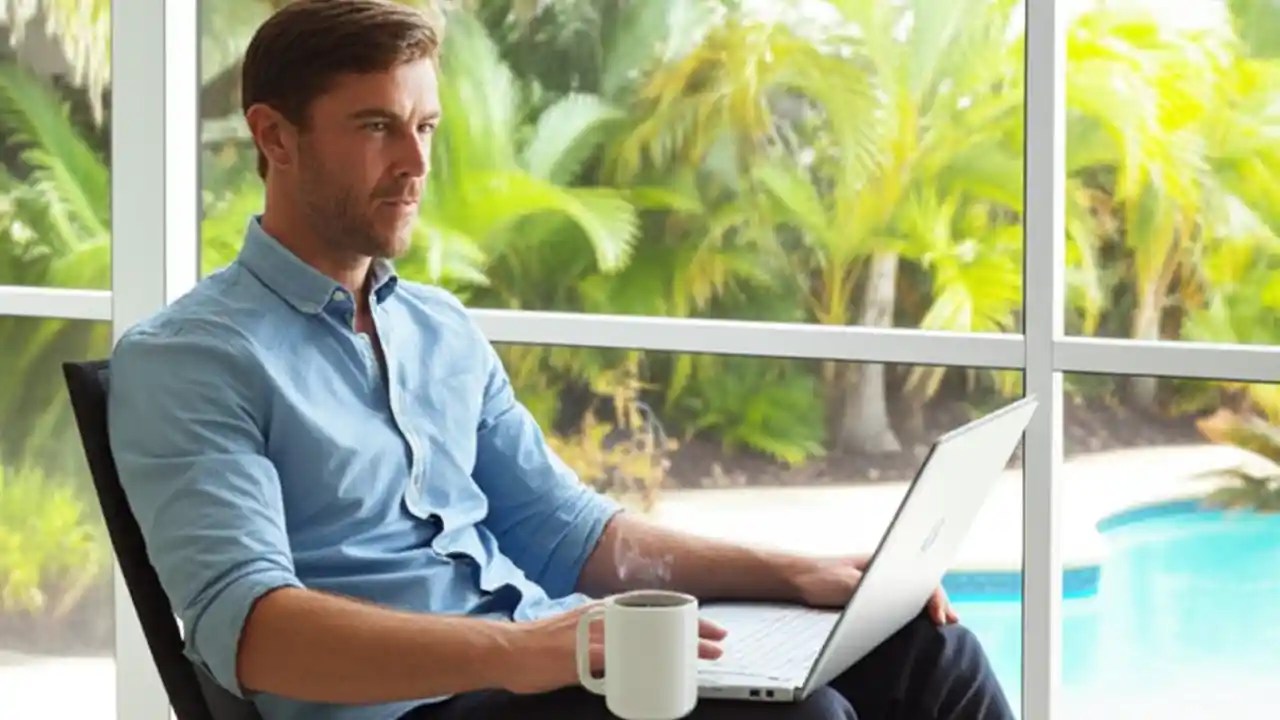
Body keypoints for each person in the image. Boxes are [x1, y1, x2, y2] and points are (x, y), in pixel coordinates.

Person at [107, 2, 1015, 719]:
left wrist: (792, 572)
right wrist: (529, 653)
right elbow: (253, 631)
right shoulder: (191, 361)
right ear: (274, 137)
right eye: (377, 126)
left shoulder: (437, 328)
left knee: (927, 653)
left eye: (426, 126)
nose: (416, 162)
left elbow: (570, 534)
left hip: (543, 665)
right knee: (803, 717)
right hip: (418, 708)